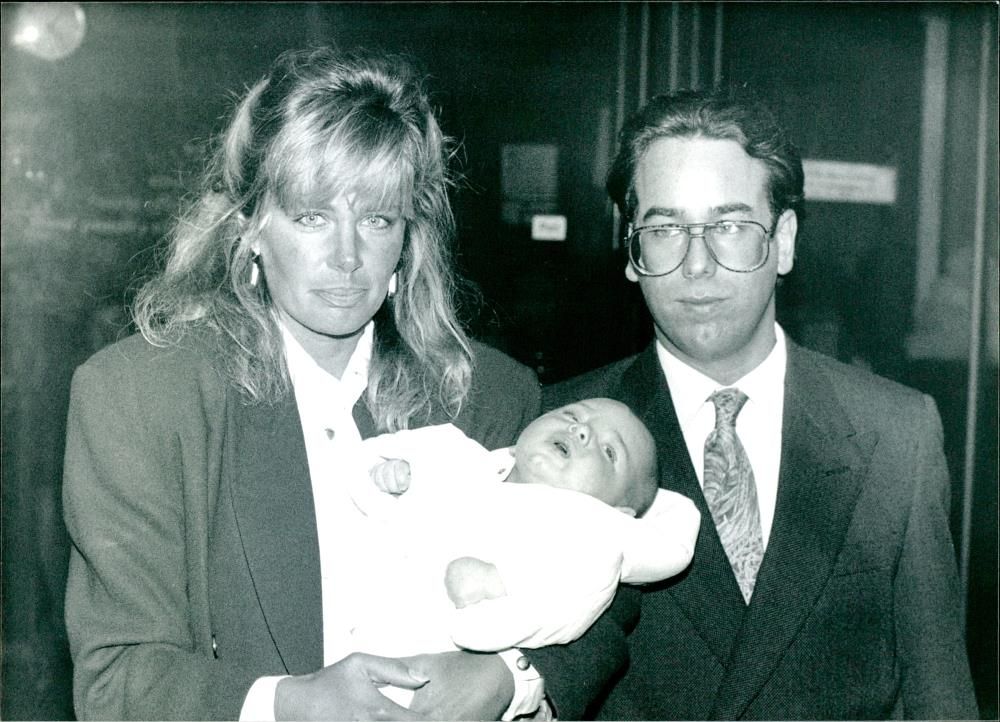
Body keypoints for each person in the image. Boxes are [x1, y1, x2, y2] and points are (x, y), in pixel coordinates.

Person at [62, 46, 617, 722]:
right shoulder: (142, 397)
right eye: (312, 216)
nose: (348, 257)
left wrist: (511, 678)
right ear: (250, 228)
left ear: (408, 239)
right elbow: (117, 678)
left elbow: (601, 572)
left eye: (378, 219)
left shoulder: (490, 394)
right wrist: (287, 704)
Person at [534, 88, 979, 719]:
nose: (697, 265)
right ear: (632, 253)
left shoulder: (893, 434)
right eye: (665, 230)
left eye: (731, 227)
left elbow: (939, 697)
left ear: (785, 240)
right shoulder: (560, 428)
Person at [338, 398, 697, 701]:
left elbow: (558, 606)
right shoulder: (457, 457)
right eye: (572, 416)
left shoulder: (588, 542)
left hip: (419, 677)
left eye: (608, 451)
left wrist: (495, 588)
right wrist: (387, 475)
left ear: (618, 514)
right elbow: (358, 471)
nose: (582, 430)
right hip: (338, 633)